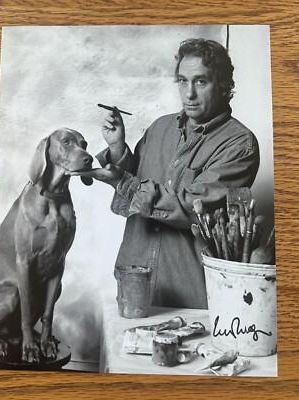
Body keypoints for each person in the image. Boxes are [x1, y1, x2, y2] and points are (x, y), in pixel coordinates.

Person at [73, 38, 260, 309]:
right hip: (133, 279)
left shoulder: (239, 144)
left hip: (190, 292)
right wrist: (117, 148)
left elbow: (193, 208)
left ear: (222, 85)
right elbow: (136, 186)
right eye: (183, 81)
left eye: (200, 81)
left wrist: (124, 182)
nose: (189, 94)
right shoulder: (160, 127)